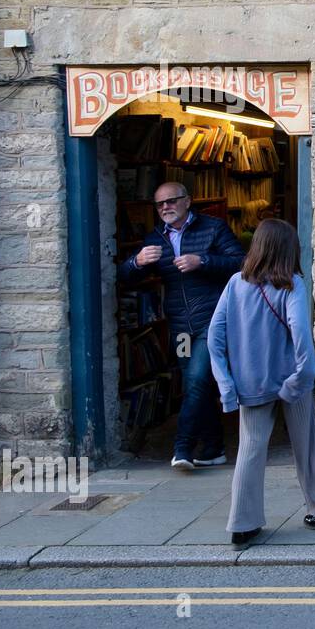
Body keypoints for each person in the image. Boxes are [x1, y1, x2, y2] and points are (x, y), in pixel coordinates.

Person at [208, 218, 315, 549]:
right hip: (292, 383)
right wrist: (301, 378)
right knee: (309, 446)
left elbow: (214, 338)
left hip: (251, 384)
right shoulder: (292, 284)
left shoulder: (234, 284)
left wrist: (226, 386)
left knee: (251, 450)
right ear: (289, 249)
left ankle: (243, 523)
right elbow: (302, 338)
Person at [118, 181, 246, 470]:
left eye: (172, 201)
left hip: (211, 321)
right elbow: (123, 277)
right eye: (160, 204)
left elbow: (242, 262)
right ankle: (213, 448)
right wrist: (136, 262)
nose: (166, 207)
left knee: (198, 379)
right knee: (195, 382)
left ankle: (183, 447)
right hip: (180, 328)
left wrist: (203, 260)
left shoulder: (213, 228)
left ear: (187, 201)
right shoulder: (155, 237)